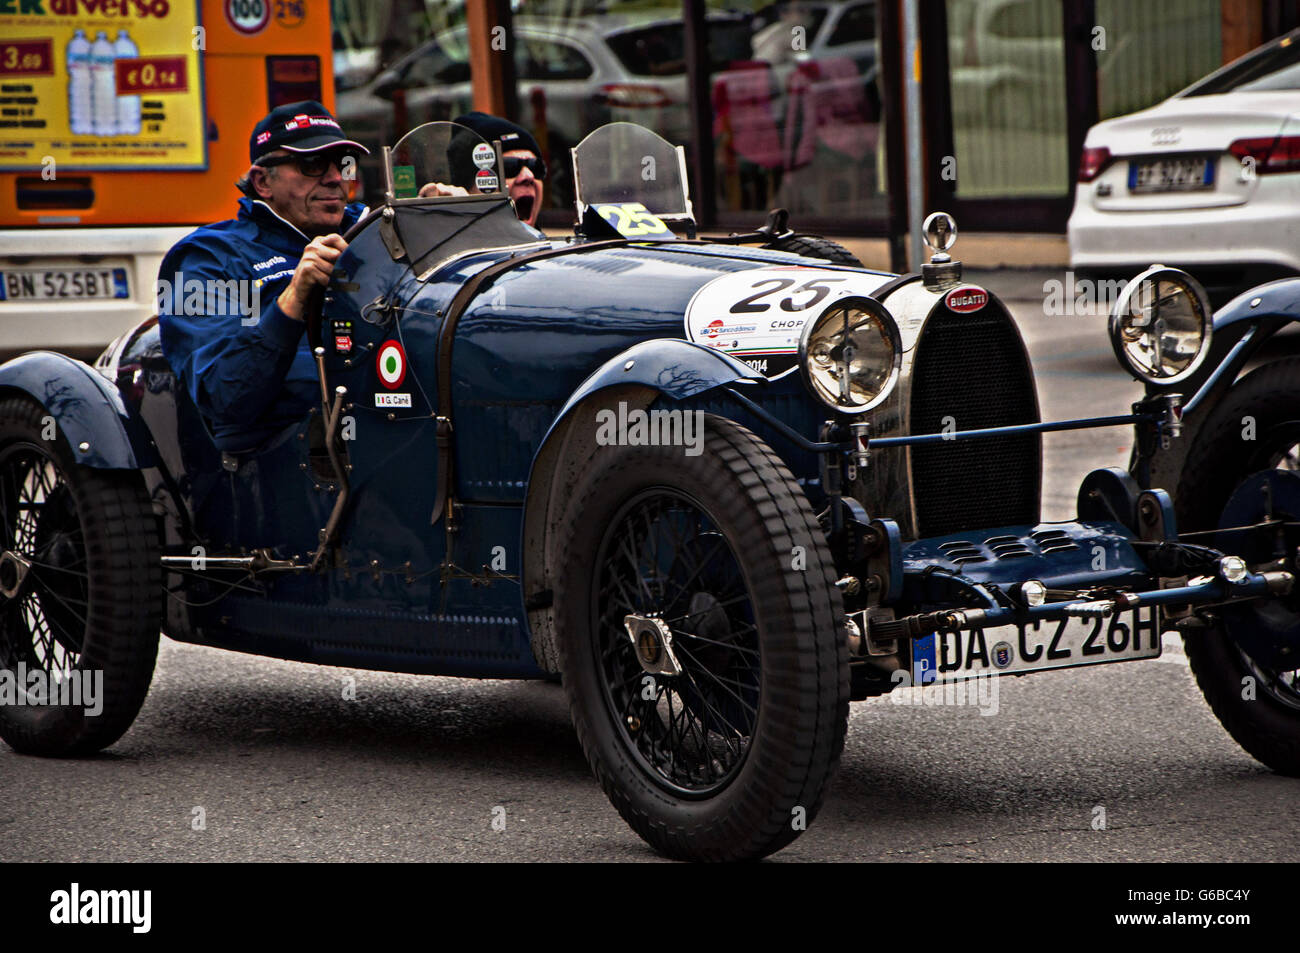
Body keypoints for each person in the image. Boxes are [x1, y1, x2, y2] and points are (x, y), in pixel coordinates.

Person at [157, 101, 368, 451]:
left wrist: (442, 222)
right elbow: (224, 396)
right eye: (312, 164)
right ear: (262, 181)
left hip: (390, 429)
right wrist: (292, 300)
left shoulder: (375, 232)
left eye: (342, 163)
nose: (335, 178)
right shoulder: (208, 256)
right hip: (290, 454)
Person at [420, 112, 547, 228]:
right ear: (467, 188)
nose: (528, 175)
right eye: (509, 167)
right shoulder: (455, 249)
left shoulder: (555, 250)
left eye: (535, 166)